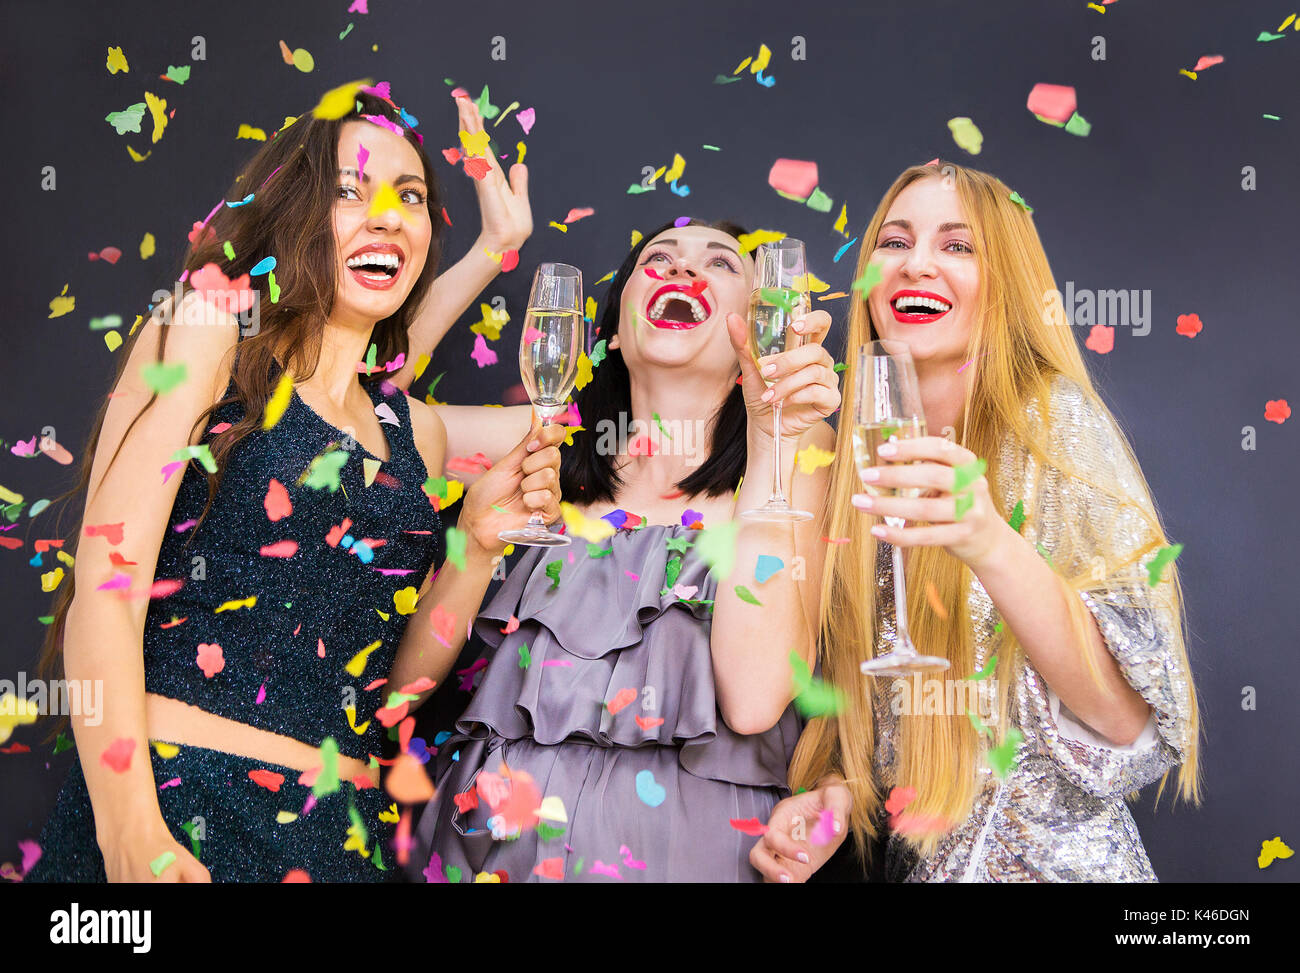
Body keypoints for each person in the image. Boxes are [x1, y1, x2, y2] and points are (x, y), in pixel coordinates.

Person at [27, 85, 563, 883]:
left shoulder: (416, 432)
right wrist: (131, 828)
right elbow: (105, 590)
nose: (387, 215)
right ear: (296, 209)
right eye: (353, 190)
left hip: (342, 845)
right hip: (183, 807)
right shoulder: (209, 333)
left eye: (409, 196)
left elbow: (395, 694)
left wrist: (479, 549)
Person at [750, 161, 1201, 883]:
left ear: (1006, 285)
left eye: (958, 246)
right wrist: (838, 790)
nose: (917, 263)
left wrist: (989, 539)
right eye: (894, 242)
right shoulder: (845, 464)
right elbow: (888, 713)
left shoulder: (1051, 425)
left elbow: (1129, 728)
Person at [389, 215, 842, 881]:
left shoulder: (799, 459)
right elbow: (366, 411)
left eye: (720, 263)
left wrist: (775, 429)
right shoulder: (544, 446)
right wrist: (491, 249)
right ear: (618, 321)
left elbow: (753, 701)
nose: (683, 269)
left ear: (760, 325)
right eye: (657, 257)